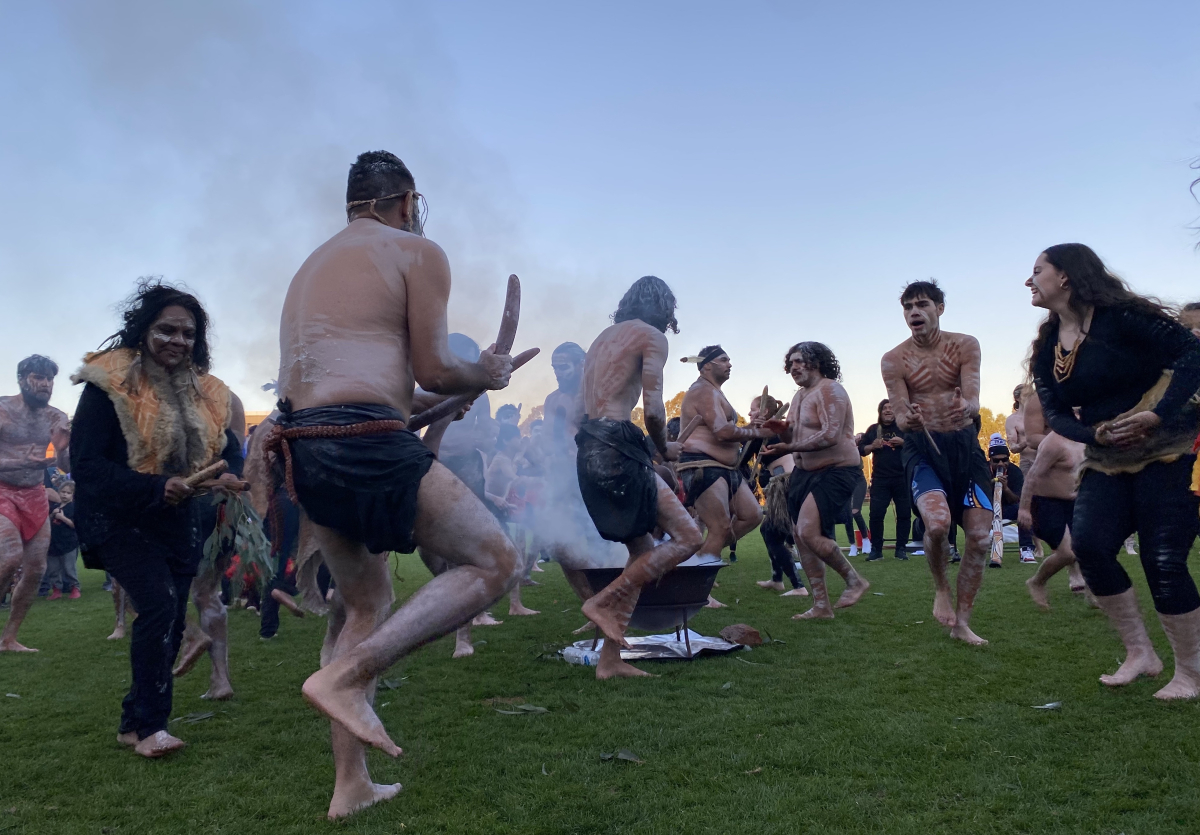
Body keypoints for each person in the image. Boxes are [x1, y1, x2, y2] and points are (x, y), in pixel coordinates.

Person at [274, 150, 527, 817]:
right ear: (405, 200)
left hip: (307, 447)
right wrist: (487, 372)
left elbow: (372, 389)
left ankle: (350, 785)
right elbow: (436, 366)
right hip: (361, 440)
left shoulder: (312, 266)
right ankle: (347, 676)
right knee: (496, 559)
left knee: (365, 603)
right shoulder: (417, 251)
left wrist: (448, 400)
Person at [70, 280, 244, 757]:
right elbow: (84, 465)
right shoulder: (109, 384)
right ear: (144, 330)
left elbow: (224, 450)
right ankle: (151, 728)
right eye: (167, 330)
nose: (178, 341)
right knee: (160, 606)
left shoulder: (201, 392)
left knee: (168, 620)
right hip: (117, 517)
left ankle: (133, 722)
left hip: (176, 519)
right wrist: (153, 486)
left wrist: (224, 476)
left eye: (188, 334)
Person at [1027, 243, 1200, 698]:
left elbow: (1192, 354)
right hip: (1106, 460)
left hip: (1170, 451)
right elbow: (1056, 412)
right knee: (1090, 546)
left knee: (1162, 559)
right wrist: (1094, 436)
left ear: (1065, 276)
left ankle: (1190, 673)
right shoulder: (1048, 344)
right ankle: (1140, 652)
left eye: (1037, 270)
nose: (1029, 281)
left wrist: (1159, 413)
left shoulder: (1123, 318)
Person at [575, 275, 703, 678]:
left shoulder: (601, 339)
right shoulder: (651, 337)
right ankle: (600, 602)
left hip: (590, 444)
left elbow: (583, 405)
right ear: (666, 309)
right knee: (689, 537)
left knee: (642, 550)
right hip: (617, 443)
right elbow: (652, 409)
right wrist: (664, 447)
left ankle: (610, 661)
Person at [881, 280, 992, 645]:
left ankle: (963, 623)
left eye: (922, 304)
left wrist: (968, 407)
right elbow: (898, 412)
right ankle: (940, 587)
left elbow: (972, 396)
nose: (915, 311)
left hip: (965, 447)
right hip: (922, 449)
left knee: (978, 536)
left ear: (939, 308)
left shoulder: (965, 345)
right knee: (939, 523)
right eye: (908, 306)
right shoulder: (894, 360)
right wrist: (906, 420)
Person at [764, 342, 871, 620]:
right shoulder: (800, 396)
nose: (794, 367)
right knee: (801, 537)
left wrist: (788, 447)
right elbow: (794, 438)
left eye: (800, 361)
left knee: (809, 532)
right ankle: (821, 605)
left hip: (836, 470)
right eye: (791, 363)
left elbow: (831, 436)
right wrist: (782, 434)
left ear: (818, 362)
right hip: (803, 473)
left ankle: (854, 580)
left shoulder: (830, 390)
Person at [0, 355, 71, 652]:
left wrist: (62, 450)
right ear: (21, 378)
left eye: (49, 379)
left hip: (35, 492)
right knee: (10, 557)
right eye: (38, 377)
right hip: (2, 490)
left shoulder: (56, 417)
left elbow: (64, 463)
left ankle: (9, 638)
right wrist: (20, 461)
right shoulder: (3, 409)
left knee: (36, 568)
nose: (44, 384)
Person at [677, 345, 769, 570]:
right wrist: (756, 432)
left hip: (725, 468)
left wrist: (749, 427)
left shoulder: (715, 390)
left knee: (752, 515)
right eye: (724, 360)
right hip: (703, 464)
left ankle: (699, 558)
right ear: (707, 365)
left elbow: (725, 429)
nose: (730, 364)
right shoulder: (703, 390)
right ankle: (699, 583)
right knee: (720, 527)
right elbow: (722, 431)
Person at [1018, 431, 1090, 610]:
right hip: (1047, 503)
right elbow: (1032, 476)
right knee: (1067, 553)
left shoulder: (1083, 438)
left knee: (1089, 549)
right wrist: (1024, 509)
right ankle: (1036, 582)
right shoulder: (1053, 443)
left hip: (1075, 502)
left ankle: (1093, 593)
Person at [751, 395, 809, 597]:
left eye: (753, 410)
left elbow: (743, 447)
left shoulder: (770, 430)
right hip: (785, 484)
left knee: (773, 534)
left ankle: (798, 586)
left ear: (765, 412)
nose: (750, 413)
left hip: (785, 484)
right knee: (769, 531)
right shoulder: (764, 431)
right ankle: (777, 580)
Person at [484, 423, 540, 617]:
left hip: (499, 510)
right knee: (498, 559)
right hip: (489, 510)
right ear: (508, 440)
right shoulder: (501, 459)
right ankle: (482, 612)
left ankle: (515, 605)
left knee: (515, 554)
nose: (520, 439)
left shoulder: (508, 457)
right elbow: (514, 479)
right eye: (516, 436)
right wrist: (539, 481)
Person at [858, 399, 911, 561]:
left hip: (902, 478)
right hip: (880, 479)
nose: (888, 411)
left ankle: (901, 549)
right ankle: (876, 550)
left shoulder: (904, 429)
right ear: (880, 412)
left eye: (891, 408)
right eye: (884, 408)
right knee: (876, 515)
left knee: (904, 514)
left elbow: (917, 446)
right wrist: (872, 446)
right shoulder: (874, 429)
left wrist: (903, 442)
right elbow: (861, 450)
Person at [984, 433, 1036, 566]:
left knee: (1023, 510)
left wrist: (1005, 489)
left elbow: (1016, 499)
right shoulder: (982, 470)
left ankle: (1026, 549)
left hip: (1008, 508)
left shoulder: (1015, 472)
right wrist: (990, 484)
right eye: (996, 461)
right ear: (990, 460)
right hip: (986, 509)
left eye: (1004, 460)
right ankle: (976, 550)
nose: (1001, 463)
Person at [42, 479, 79, 599]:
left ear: (72, 495)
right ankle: (56, 590)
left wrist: (62, 518)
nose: (64, 494)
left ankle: (75, 588)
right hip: (53, 543)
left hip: (68, 543)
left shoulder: (73, 507)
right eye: (63, 492)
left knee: (69, 568)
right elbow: (46, 522)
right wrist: (52, 515)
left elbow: (75, 525)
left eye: (68, 493)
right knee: (53, 569)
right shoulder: (54, 506)